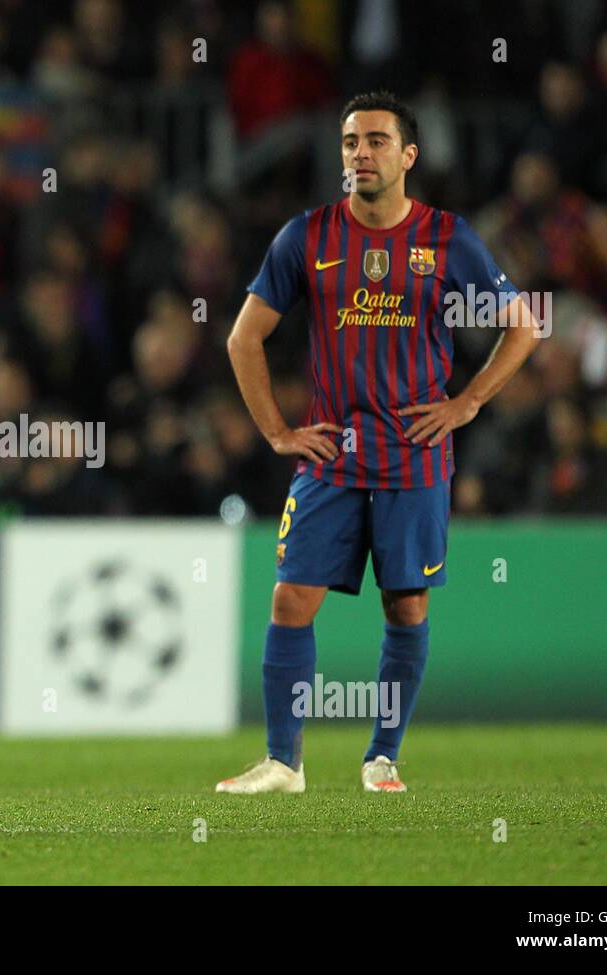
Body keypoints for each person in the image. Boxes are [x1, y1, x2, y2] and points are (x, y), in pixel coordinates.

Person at [219, 92, 541, 794]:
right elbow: (243, 337)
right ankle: (283, 761)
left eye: (374, 140)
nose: (359, 153)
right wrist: (277, 431)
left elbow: (523, 325)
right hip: (331, 457)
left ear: (408, 155)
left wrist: (468, 401)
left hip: (415, 455)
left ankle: (382, 756)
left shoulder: (448, 239)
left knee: (406, 606)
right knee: (289, 600)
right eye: (348, 142)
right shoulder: (306, 236)